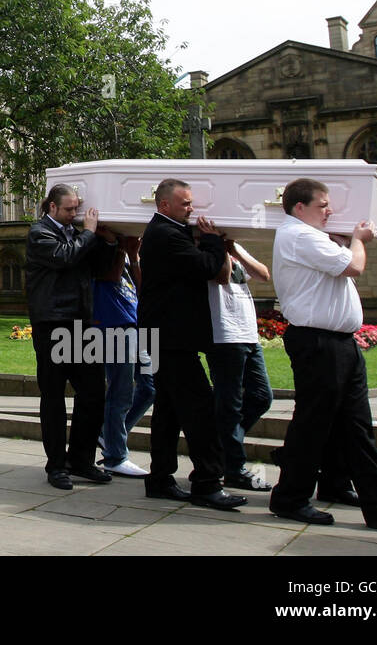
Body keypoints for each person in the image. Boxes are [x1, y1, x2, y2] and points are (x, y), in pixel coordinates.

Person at [267, 179, 377, 530]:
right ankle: (290, 498)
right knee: (313, 424)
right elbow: (353, 267)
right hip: (319, 342)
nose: (329, 211)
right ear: (300, 207)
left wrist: (343, 243)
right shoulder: (299, 234)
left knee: (355, 425)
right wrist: (357, 241)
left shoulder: (308, 237)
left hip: (337, 343)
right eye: (323, 205)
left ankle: (374, 502)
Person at [139, 179, 245, 510]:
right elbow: (207, 268)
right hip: (171, 338)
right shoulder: (165, 235)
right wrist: (213, 241)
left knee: (169, 411)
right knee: (200, 409)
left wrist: (206, 240)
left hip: (165, 335)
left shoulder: (167, 232)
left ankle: (160, 478)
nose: (191, 208)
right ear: (164, 205)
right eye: (185, 203)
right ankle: (207, 483)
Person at [24, 184, 118, 489]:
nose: (74, 214)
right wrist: (89, 233)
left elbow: (101, 270)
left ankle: (81, 459)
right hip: (51, 323)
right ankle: (56, 465)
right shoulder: (39, 233)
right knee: (53, 397)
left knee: (93, 392)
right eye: (68, 210)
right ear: (51, 207)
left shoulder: (76, 234)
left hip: (80, 323)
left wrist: (110, 242)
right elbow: (64, 258)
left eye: (76, 209)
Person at [206, 238, 273, 491]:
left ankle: (221, 448)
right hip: (224, 335)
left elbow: (264, 274)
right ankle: (234, 468)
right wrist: (219, 246)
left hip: (248, 334)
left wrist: (234, 250)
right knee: (229, 404)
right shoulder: (206, 248)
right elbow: (222, 277)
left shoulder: (233, 247)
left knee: (261, 396)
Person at [92, 233, 154, 477]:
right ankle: (115, 456)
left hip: (139, 324)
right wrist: (120, 246)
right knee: (120, 391)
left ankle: (108, 435)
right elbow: (111, 276)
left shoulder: (130, 251)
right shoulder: (101, 247)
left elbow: (143, 288)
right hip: (114, 326)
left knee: (151, 387)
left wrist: (134, 255)